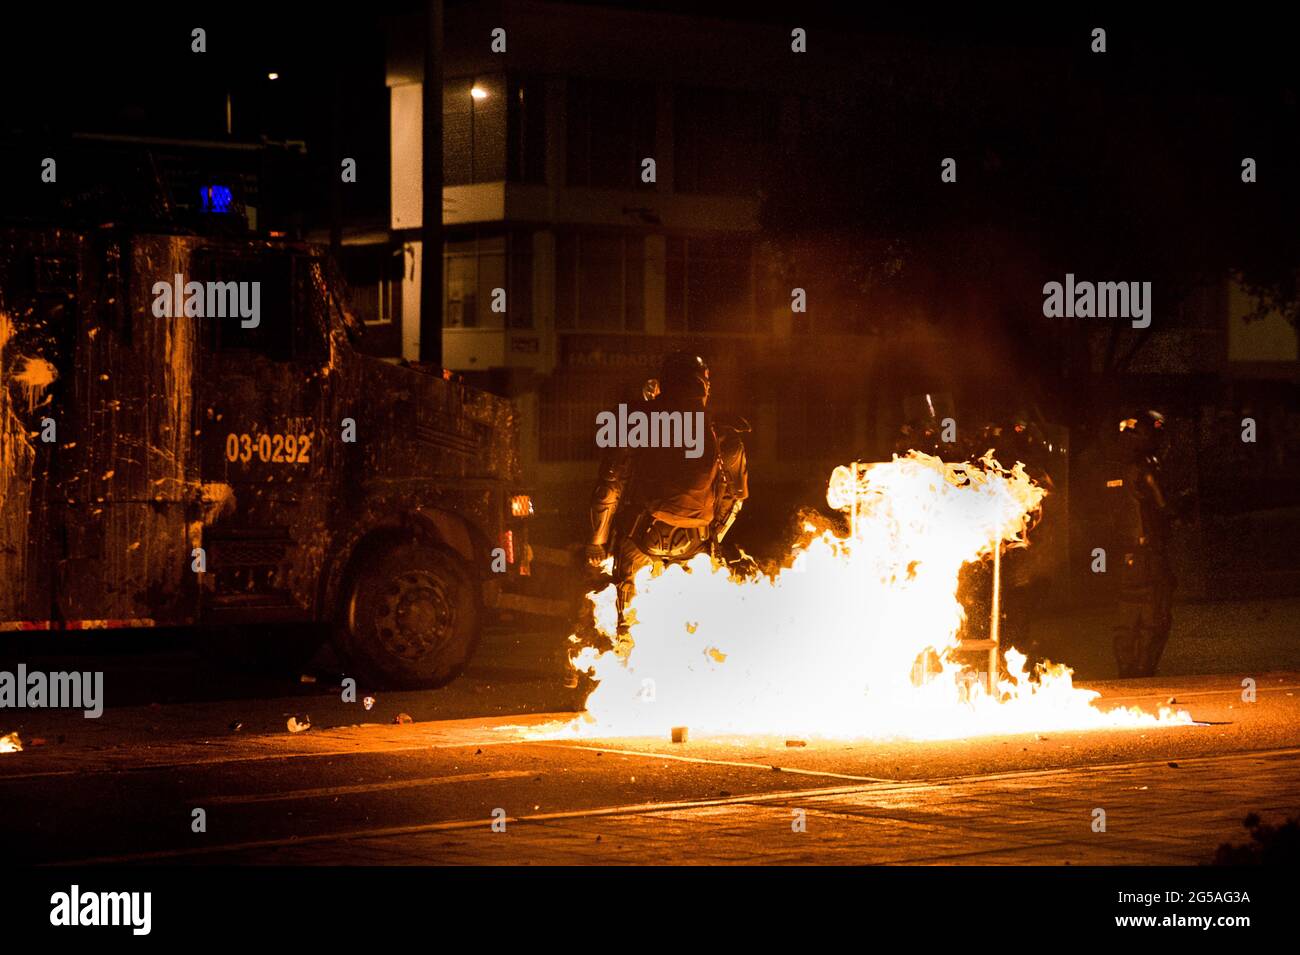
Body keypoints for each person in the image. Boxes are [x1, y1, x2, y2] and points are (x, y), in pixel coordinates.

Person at [583, 352, 749, 659]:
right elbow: (734, 499)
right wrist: (712, 537)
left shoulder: (641, 422)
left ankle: (622, 658)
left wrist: (597, 543)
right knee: (696, 630)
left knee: (626, 625)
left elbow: (609, 488)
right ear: (704, 385)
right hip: (698, 545)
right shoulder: (724, 434)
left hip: (642, 541)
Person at [1109, 410, 1177, 678]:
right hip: (1149, 550)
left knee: (1127, 608)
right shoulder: (1147, 467)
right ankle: (1143, 669)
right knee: (1155, 610)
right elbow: (1165, 506)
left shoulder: (1115, 467)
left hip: (1125, 550)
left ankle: (1127, 668)